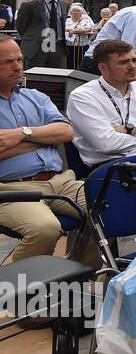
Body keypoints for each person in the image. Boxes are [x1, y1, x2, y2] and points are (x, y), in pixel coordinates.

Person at [0, 37, 94, 263]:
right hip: (10, 189)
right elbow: (54, 136)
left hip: (61, 181)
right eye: (8, 62)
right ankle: (19, 288)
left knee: (109, 209)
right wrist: (44, 138)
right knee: (45, 228)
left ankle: (76, 276)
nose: (18, 67)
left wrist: (21, 134)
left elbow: (65, 132)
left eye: (20, 59)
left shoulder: (36, 97)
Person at [66, 39, 136, 166]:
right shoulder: (83, 96)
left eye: (134, 60)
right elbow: (106, 143)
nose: (132, 66)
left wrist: (133, 130)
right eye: (123, 62)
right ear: (103, 68)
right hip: (109, 167)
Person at [15, 0, 69, 69]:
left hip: (58, 46)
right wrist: (32, 37)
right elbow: (21, 27)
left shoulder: (65, 4)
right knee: (36, 78)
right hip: (37, 47)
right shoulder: (30, 5)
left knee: (58, 78)